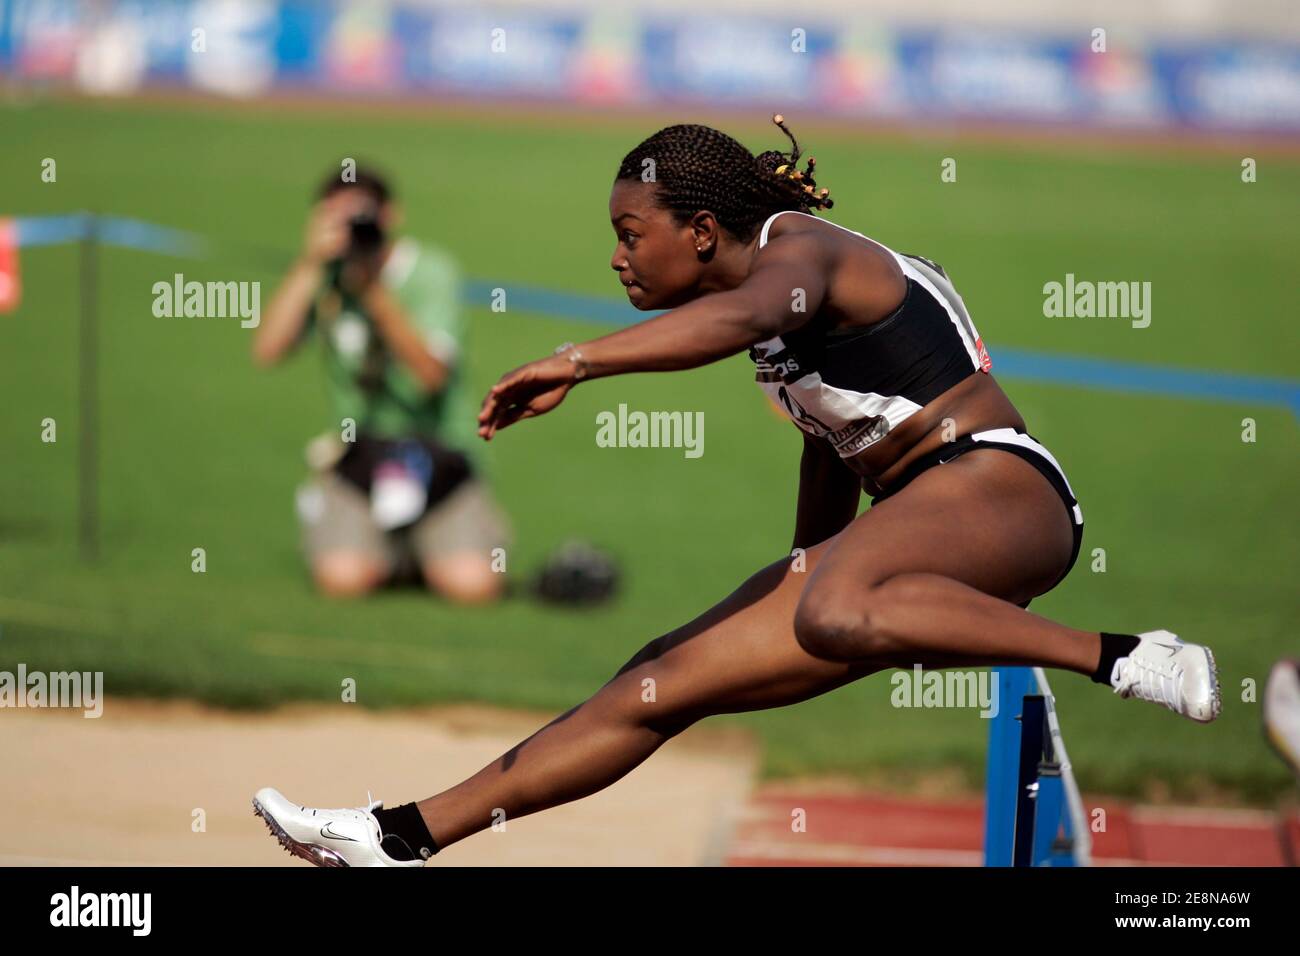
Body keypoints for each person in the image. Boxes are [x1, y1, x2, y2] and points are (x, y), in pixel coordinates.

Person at [253, 117, 1220, 866]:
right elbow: (830, 452)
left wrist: (580, 362)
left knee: (839, 605)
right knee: (657, 681)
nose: (618, 257)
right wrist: (798, 569)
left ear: (703, 229)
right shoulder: (774, 316)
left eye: (632, 235)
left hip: (1006, 492)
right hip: (916, 529)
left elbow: (746, 316)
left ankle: (1129, 656)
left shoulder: (801, 260)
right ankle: (398, 836)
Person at [253, 165, 509, 604]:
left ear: (391, 215)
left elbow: (429, 375)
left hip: (438, 453)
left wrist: (371, 292)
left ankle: (413, 543)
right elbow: (268, 350)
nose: (352, 229)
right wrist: (310, 264)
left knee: (474, 586)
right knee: (343, 580)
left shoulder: (431, 271)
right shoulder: (325, 278)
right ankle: (379, 538)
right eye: (337, 218)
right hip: (359, 453)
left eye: (361, 217)